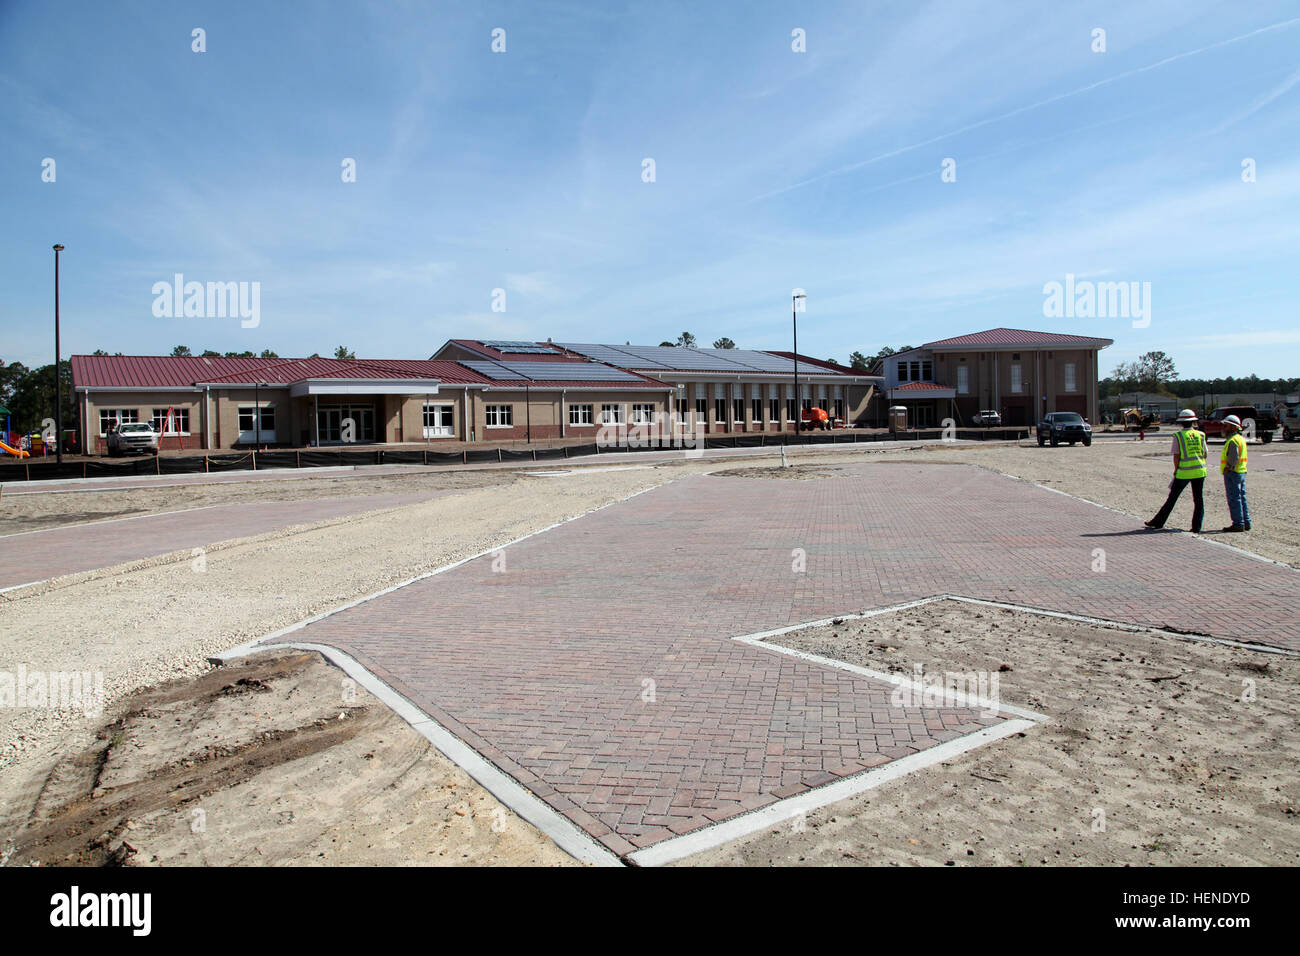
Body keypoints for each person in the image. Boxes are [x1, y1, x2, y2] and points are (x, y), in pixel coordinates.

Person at [1145, 409, 1207, 532]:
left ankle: (1158, 522)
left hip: (1183, 472)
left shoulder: (1178, 436)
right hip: (1200, 471)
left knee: (1172, 498)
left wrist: (1176, 469)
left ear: (1181, 423)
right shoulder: (1201, 435)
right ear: (1193, 421)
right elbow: (1205, 453)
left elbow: (1176, 455)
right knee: (1198, 500)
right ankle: (1196, 527)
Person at [1219, 414, 1251, 532]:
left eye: (1225, 426)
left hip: (1233, 472)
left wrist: (1228, 467)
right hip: (1241, 471)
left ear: (1233, 427)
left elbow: (1233, 457)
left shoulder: (1233, 440)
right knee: (1241, 498)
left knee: (1234, 498)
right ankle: (1246, 522)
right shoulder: (1240, 439)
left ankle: (1238, 523)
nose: (1223, 428)